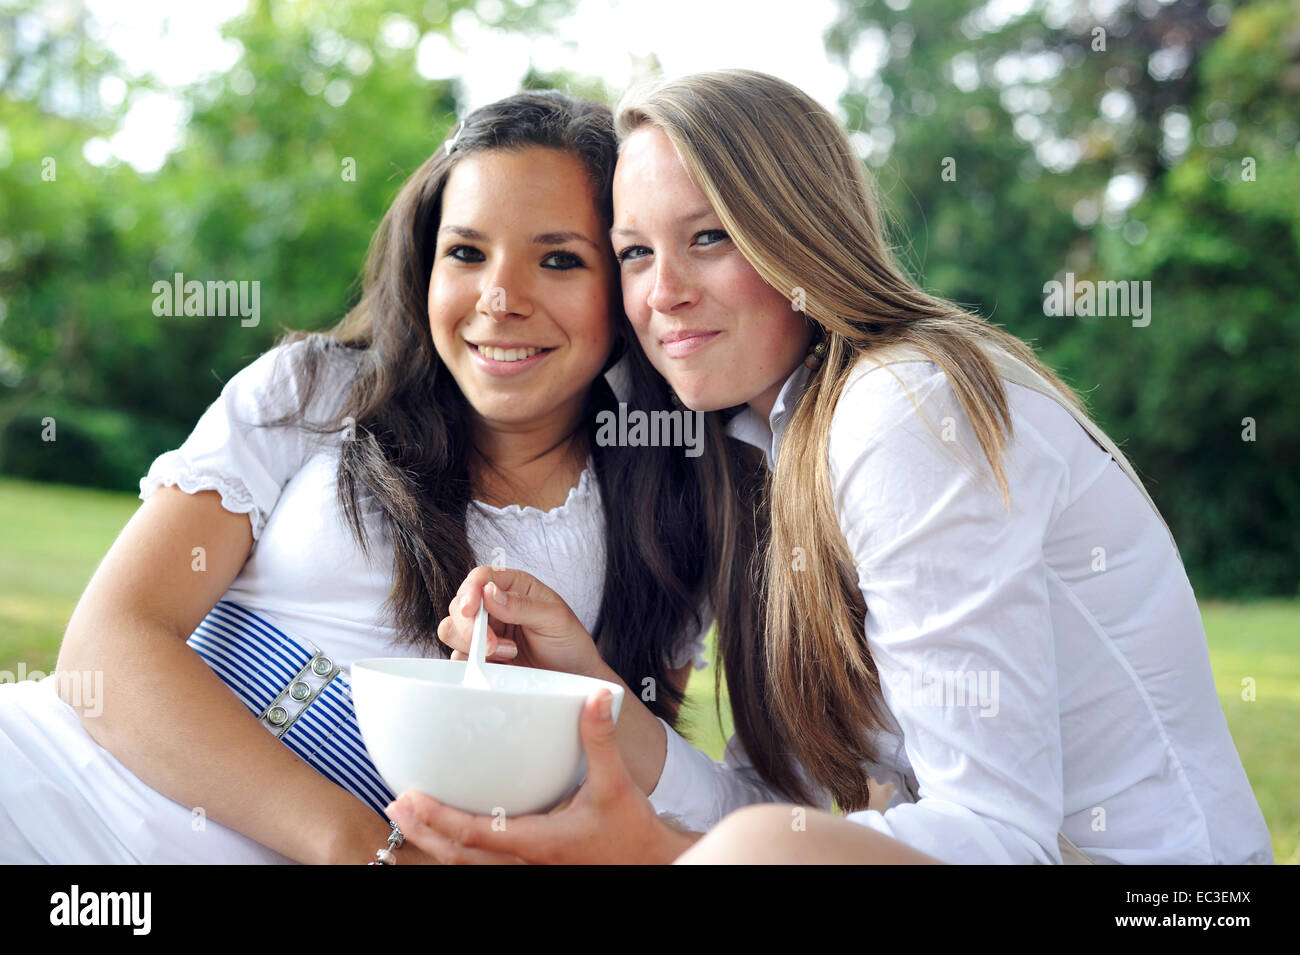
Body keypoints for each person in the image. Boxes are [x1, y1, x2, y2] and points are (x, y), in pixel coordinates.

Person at [393, 70, 1274, 865]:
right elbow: (789, 813)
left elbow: (999, 832)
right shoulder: (762, 447)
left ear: (796, 236)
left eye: (709, 237)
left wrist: (661, 856)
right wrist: (598, 695)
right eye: (634, 252)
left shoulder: (904, 405)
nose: (662, 293)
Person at [0, 90, 726, 864]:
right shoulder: (313, 392)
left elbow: (627, 797)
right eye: (467, 252)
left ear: (622, 288)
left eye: (558, 259)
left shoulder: (665, 516)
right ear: (425, 264)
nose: (500, 298)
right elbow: (109, 647)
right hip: (55, 787)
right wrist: (356, 845)